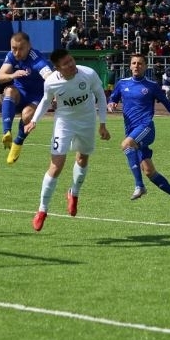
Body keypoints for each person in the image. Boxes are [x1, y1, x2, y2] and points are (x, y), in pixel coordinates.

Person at [24, 49, 111, 231]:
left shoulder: (88, 73)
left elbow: (101, 96)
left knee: (82, 158)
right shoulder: (51, 82)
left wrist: (102, 124)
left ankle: (74, 193)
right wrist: (34, 121)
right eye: (66, 64)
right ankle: (42, 210)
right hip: (64, 122)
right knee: (56, 166)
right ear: (58, 68)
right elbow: (46, 101)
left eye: (71, 60)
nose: (71, 65)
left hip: (87, 120)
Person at [107, 53, 170, 209]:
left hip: (146, 128)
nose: (136, 66)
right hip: (132, 131)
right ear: (130, 66)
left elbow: (167, 103)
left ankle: (139, 186)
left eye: (140, 63)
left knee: (126, 145)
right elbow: (113, 98)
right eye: (134, 63)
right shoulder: (122, 83)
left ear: (145, 66)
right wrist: (111, 104)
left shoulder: (151, 86)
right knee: (149, 171)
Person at [0, 32, 53, 165]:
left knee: (27, 115)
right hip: (20, 93)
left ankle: (18, 143)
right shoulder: (11, 56)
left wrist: (55, 92)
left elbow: (49, 76)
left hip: (37, 96)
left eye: (20, 49)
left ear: (29, 46)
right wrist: (13, 75)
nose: (17, 52)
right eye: (14, 48)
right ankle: (6, 132)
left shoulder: (37, 59)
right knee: (9, 90)